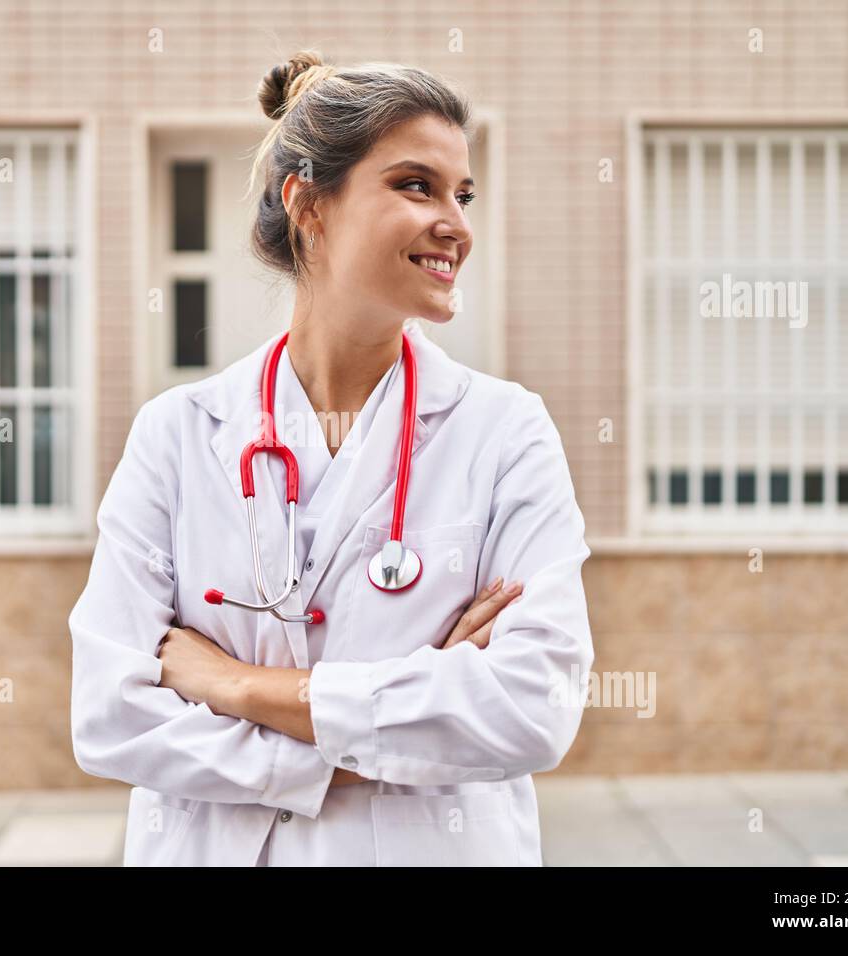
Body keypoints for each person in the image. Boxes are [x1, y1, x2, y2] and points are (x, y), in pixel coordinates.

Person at [69, 50, 594, 866]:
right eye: (416, 185)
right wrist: (392, 726)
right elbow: (108, 716)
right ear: (309, 204)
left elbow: (533, 707)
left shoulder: (505, 434)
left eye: (463, 193)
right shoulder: (176, 435)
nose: (454, 221)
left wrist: (236, 687)